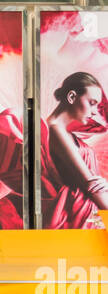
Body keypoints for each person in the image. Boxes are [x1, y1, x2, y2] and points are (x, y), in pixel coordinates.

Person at [42, 71, 108, 228]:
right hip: (82, 216)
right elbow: (91, 185)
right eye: (92, 103)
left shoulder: (60, 131)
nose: (94, 112)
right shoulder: (56, 130)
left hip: (85, 212)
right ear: (71, 97)